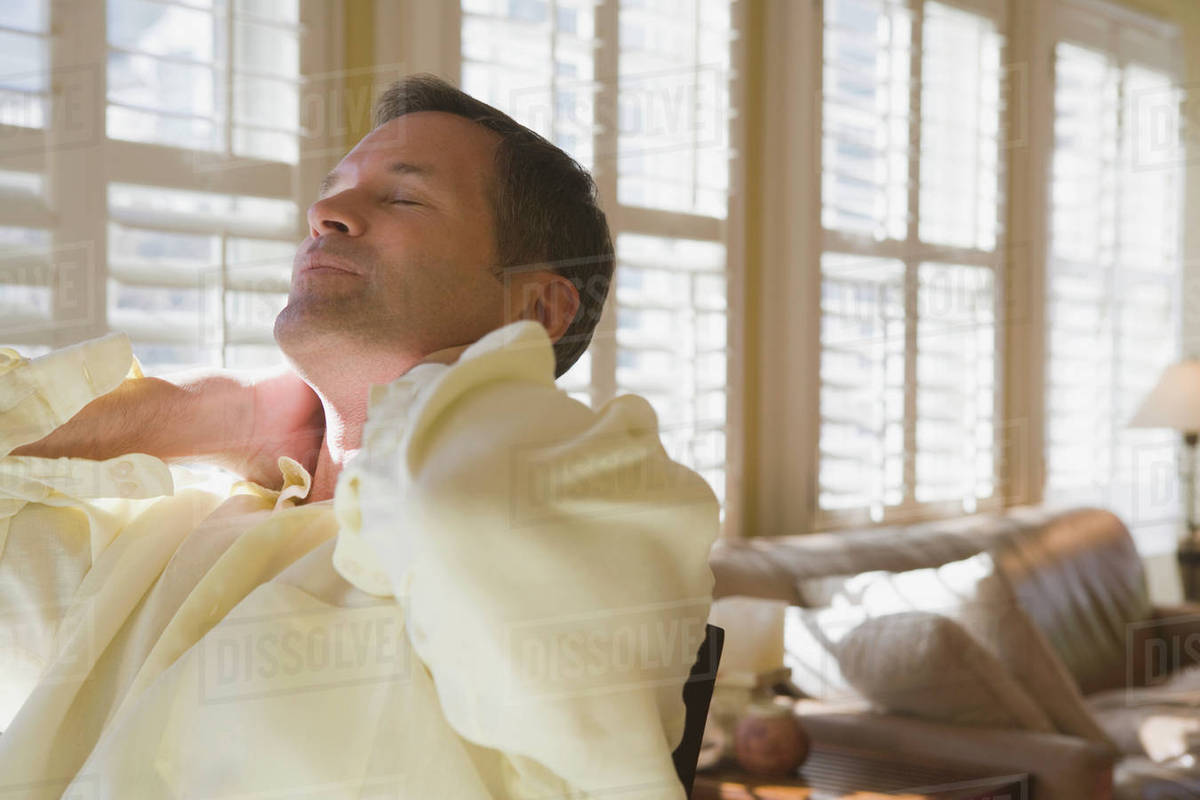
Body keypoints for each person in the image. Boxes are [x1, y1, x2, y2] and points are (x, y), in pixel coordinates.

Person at [0, 75, 719, 798]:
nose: (324, 212)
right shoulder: (154, 542)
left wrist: (381, 418)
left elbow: (458, 504)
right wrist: (193, 416)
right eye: (332, 189)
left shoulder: (590, 489)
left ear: (534, 307)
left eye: (403, 196)